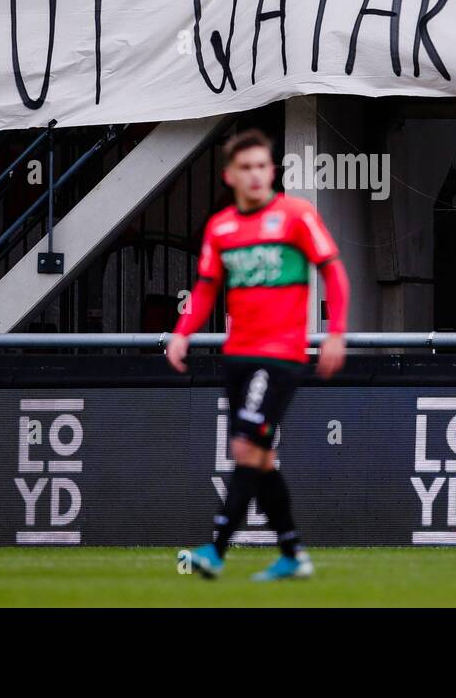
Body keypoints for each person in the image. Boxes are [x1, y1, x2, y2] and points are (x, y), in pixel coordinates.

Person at [167, 128, 349, 581]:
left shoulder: (296, 215)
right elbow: (207, 287)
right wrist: (182, 332)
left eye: (262, 167)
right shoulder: (221, 227)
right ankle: (292, 554)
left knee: (245, 447)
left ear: (272, 171)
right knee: (259, 457)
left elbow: (335, 273)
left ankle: (215, 549)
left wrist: (335, 334)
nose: (255, 176)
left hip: (281, 355)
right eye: (245, 168)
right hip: (238, 356)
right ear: (230, 175)